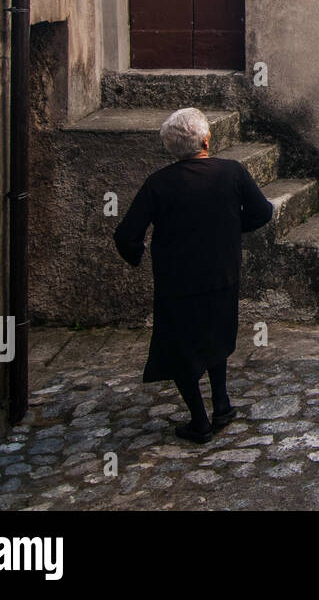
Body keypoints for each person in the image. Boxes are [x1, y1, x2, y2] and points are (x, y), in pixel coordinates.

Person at [113, 107, 273, 442]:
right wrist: (229, 230)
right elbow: (262, 212)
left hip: (178, 282)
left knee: (182, 346)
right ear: (206, 138)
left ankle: (200, 420)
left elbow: (127, 234)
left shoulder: (158, 184)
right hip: (221, 276)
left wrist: (138, 255)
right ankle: (222, 404)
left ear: (170, 147)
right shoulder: (232, 172)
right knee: (215, 337)